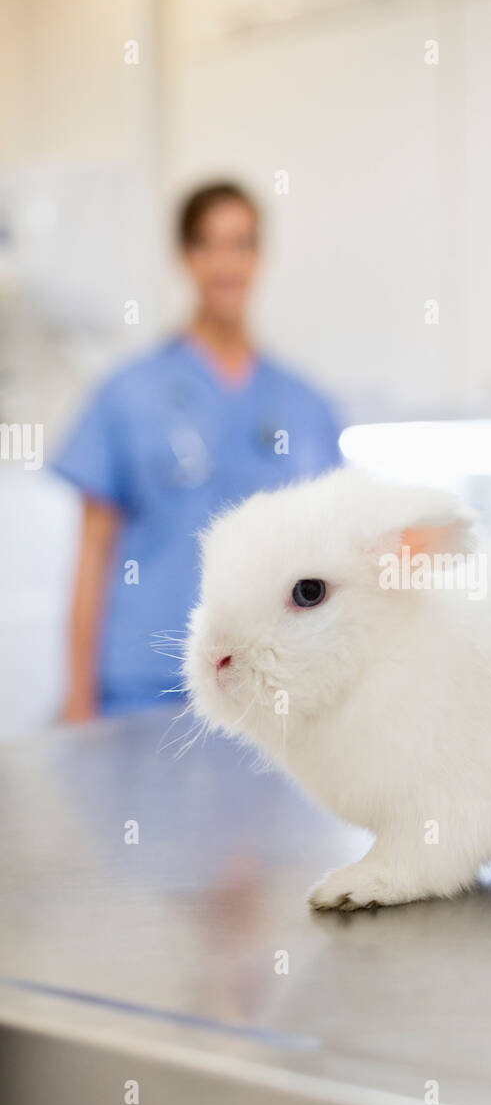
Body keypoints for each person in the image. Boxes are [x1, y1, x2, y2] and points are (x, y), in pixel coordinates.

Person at [53, 181, 342, 720]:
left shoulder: (306, 408)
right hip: (142, 693)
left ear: (260, 257)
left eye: (243, 243)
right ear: (187, 257)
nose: (227, 262)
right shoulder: (127, 394)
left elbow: (332, 573)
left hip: (270, 697)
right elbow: (92, 553)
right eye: (210, 244)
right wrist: (77, 701)